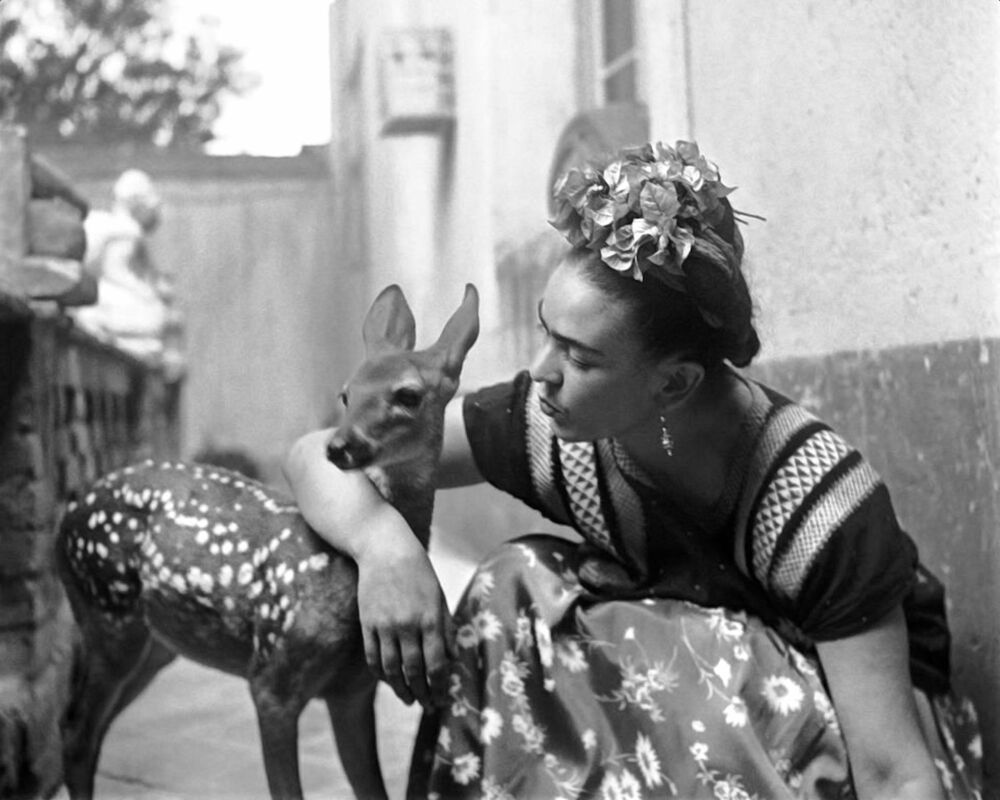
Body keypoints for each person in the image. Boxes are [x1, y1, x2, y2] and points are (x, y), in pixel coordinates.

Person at [284, 141, 983, 799]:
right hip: (696, 715)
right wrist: (385, 547)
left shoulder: (819, 504)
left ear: (673, 384)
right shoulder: (554, 423)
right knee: (515, 584)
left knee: (691, 648)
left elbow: (895, 772)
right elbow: (317, 453)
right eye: (546, 334)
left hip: (841, 731)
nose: (543, 373)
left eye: (580, 357)